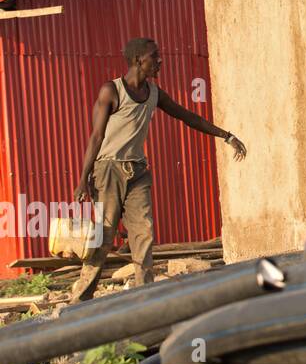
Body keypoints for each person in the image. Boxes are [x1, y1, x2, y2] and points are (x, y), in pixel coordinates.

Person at [68, 37, 246, 303]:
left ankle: (145, 298)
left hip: (138, 171)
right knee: (103, 236)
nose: (160, 61)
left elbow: (188, 116)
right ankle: (80, 300)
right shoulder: (111, 91)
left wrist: (226, 135)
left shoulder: (154, 93)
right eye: (155, 56)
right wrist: (83, 179)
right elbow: (96, 137)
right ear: (139, 60)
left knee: (144, 234)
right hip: (109, 170)